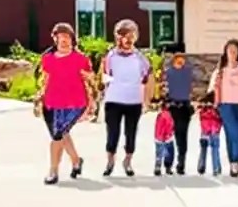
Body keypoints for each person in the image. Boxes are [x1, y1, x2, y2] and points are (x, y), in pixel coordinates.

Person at [36, 23, 93, 185]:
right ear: (55, 39)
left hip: (75, 104)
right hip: (51, 104)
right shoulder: (47, 59)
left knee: (57, 136)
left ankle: (53, 171)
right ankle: (76, 160)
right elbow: (45, 80)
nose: (64, 40)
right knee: (62, 134)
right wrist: (39, 98)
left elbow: (91, 79)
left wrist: (92, 103)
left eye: (67, 37)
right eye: (60, 37)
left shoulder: (80, 59)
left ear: (72, 39)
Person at [101, 19, 152, 177]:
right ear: (118, 37)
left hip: (133, 101)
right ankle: (110, 161)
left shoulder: (140, 58)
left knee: (131, 134)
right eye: (125, 36)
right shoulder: (110, 56)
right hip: (113, 101)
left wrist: (147, 100)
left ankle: (128, 161)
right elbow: (105, 77)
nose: (128, 39)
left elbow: (148, 78)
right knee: (112, 134)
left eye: (132, 36)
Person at [209, 39, 238, 177]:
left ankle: (236, 161)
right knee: (232, 133)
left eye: (235, 51)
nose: (232, 53)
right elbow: (212, 87)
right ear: (226, 52)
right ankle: (233, 163)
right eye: (230, 51)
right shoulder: (221, 69)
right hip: (225, 105)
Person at [163, 52, 195, 175]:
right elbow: (164, 88)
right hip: (172, 107)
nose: (180, 63)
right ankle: (168, 163)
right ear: (174, 61)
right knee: (169, 136)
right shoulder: (169, 73)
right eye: (178, 61)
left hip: (184, 107)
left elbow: (190, 88)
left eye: (182, 61)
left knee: (182, 136)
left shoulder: (187, 72)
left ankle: (181, 163)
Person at [196, 92, 222, 176]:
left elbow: (201, 118)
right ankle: (216, 168)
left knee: (203, 149)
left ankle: (201, 167)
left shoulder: (204, 110)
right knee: (215, 149)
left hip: (205, 131)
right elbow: (220, 120)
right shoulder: (217, 110)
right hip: (215, 131)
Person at [153, 104, 176, 176]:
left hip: (159, 138)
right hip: (166, 138)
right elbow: (168, 127)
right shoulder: (167, 115)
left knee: (159, 154)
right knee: (169, 154)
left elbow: (158, 127)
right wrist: (166, 135)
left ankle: (157, 168)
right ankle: (168, 168)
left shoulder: (160, 115)